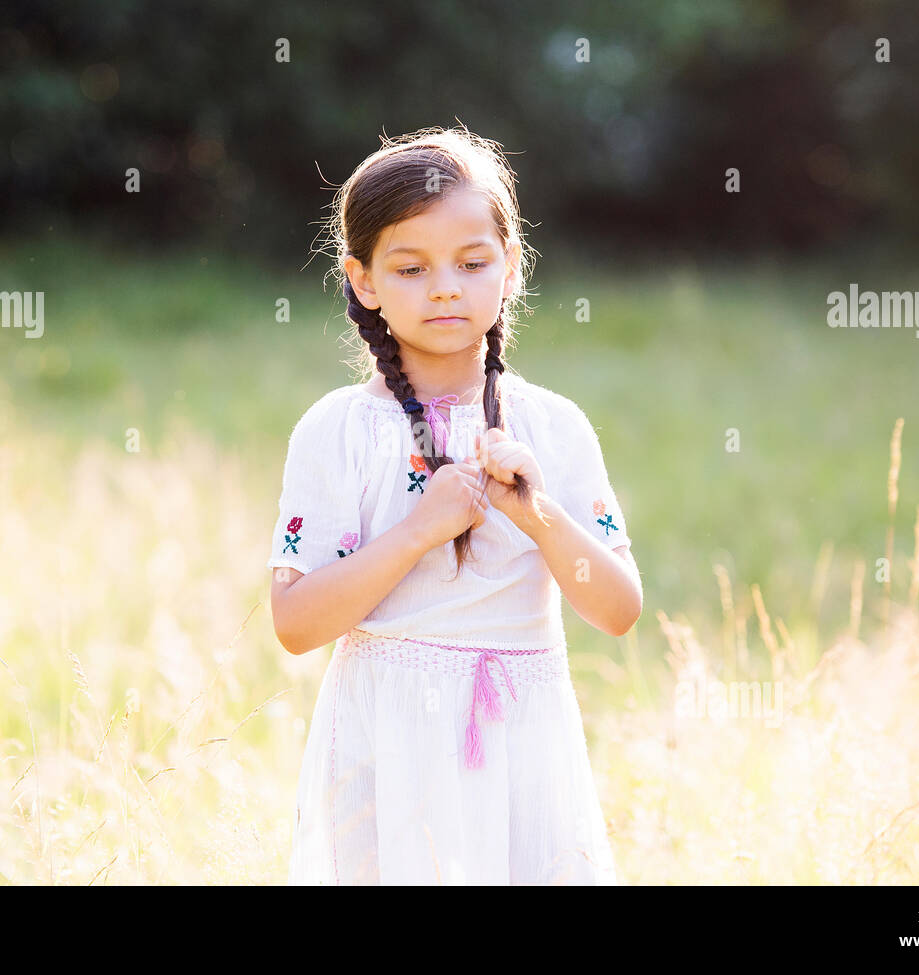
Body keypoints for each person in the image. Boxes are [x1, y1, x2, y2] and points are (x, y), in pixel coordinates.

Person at [267, 125, 643, 884]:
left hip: (522, 747)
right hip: (386, 741)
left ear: (509, 269)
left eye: (472, 262)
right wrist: (416, 531)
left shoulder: (553, 428)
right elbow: (296, 624)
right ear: (364, 280)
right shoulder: (338, 430)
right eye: (411, 267)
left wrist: (536, 511)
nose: (445, 286)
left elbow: (619, 609)